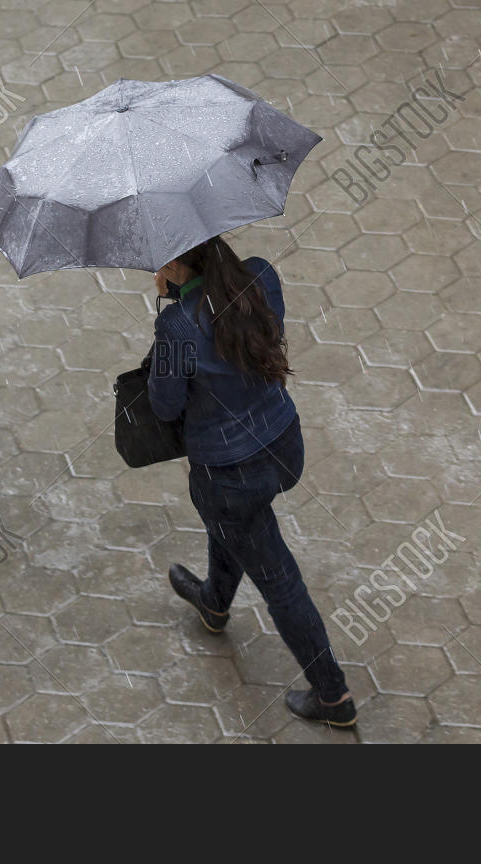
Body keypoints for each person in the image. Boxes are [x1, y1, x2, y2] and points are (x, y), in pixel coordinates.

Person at [148, 235, 355, 726]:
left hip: (229, 474)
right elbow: (244, 339)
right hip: (284, 447)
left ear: (176, 261)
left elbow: (164, 405)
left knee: (280, 582)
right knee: (238, 527)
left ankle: (333, 696)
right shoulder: (261, 275)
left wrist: (171, 311)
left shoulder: (177, 325)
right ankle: (214, 604)